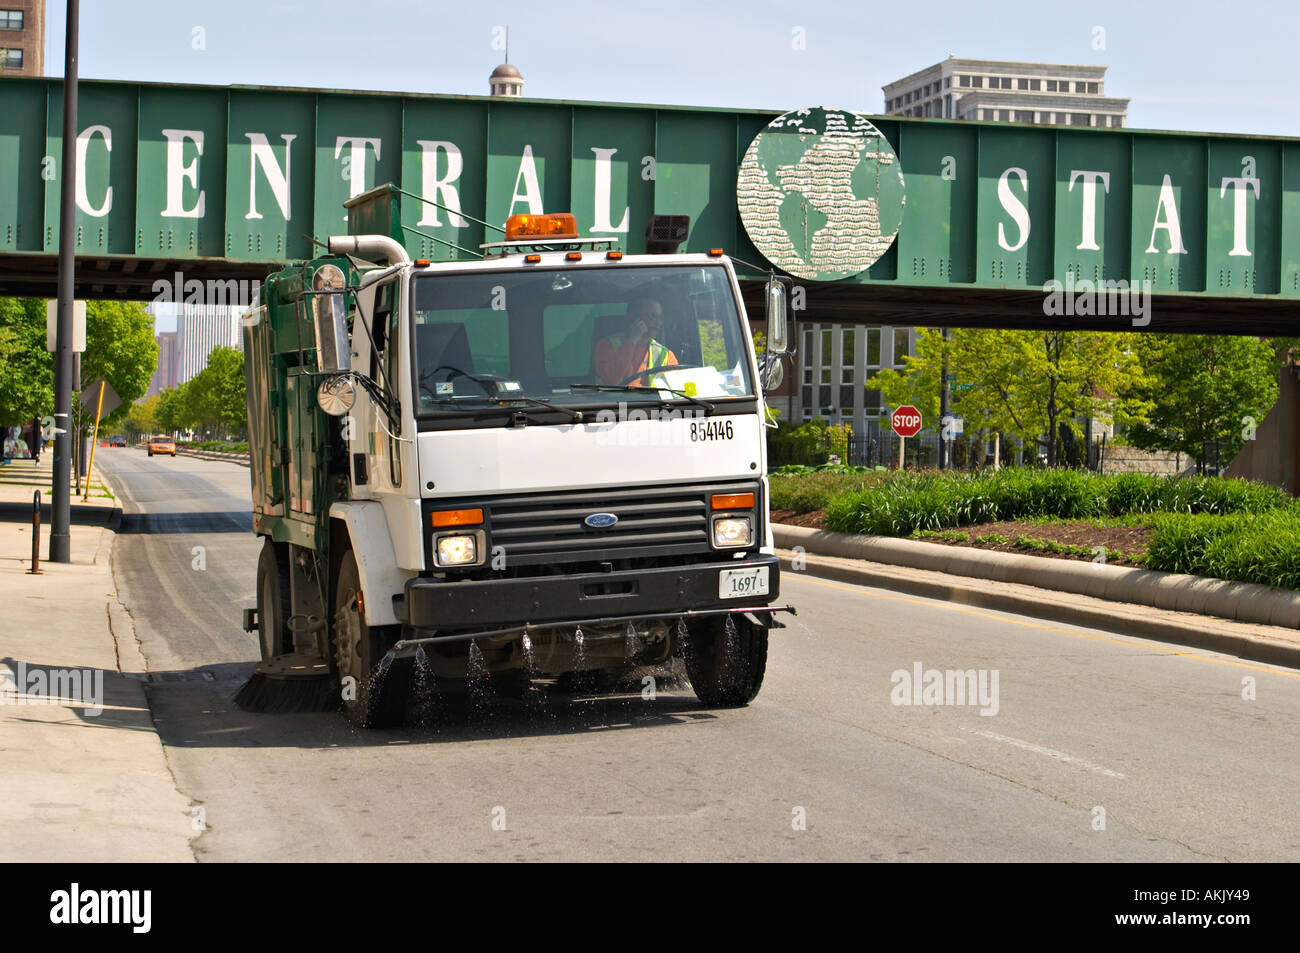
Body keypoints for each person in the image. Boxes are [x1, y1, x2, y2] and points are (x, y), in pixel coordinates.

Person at [594, 296, 679, 387]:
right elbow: (612, 381)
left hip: (652, 401)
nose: (658, 323)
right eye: (652, 316)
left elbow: (676, 391)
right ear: (634, 318)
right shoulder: (607, 345)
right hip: (613, 401)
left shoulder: (665, 355)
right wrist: (632, 341)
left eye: (660, 317)